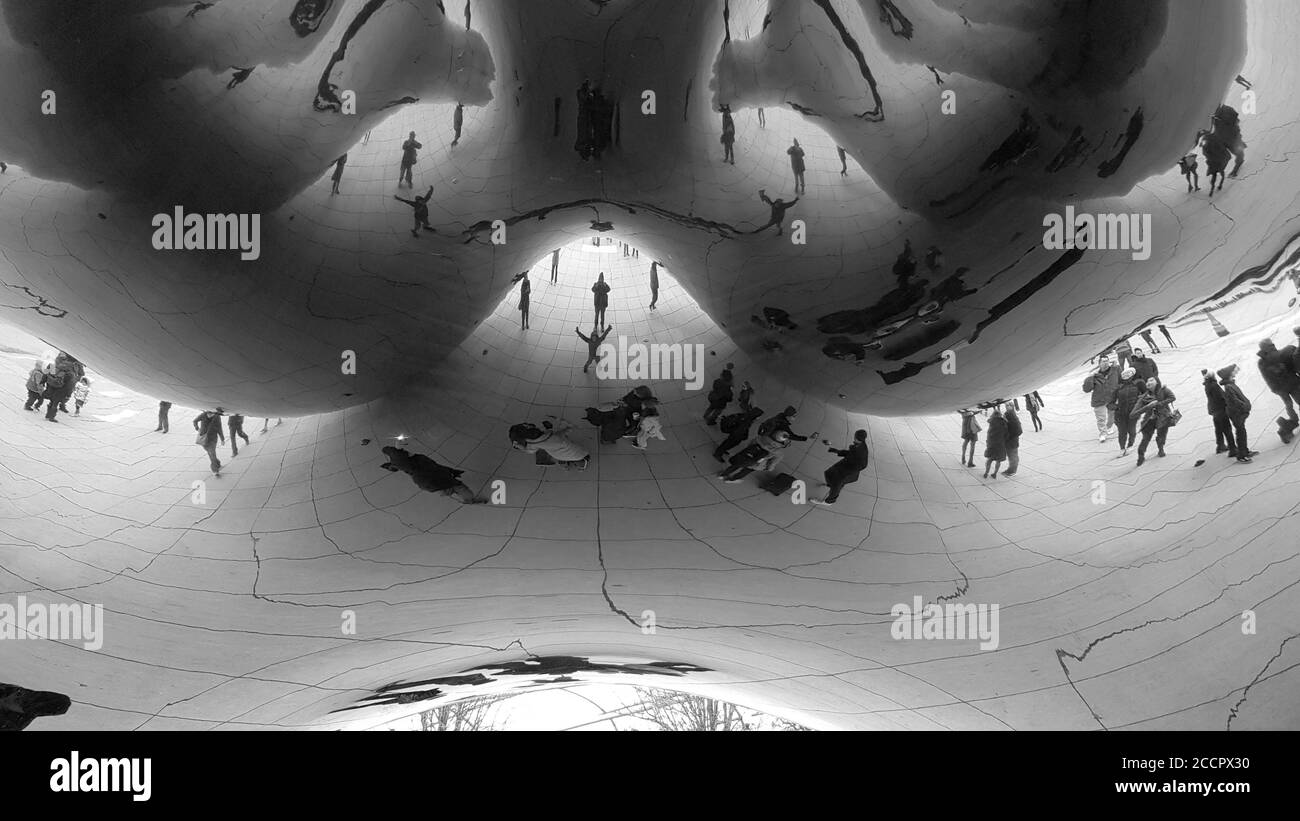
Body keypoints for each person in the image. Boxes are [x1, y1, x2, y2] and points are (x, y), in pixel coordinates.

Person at [381, 446, 485, 502]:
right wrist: (451, 471)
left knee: (443, 488)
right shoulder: (419, 460)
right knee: (459, 486)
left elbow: (395, 465)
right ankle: (470, 499)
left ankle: (446, 491)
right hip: (434, 479)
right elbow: (436, 468)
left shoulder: (401, 463)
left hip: (425, 484)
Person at [1256, 338, 1300, 442]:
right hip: (1291, 384)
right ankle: (1288, 424)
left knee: (1289, 405)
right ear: (1269, 346)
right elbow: (1287, 363)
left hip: (1279, 388)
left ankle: (1288, 424)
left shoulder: (1261, 361)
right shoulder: (1276, 355)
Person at [813, 429, 869, 504]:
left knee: (836, 486)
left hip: (848, 472)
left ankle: (828, 502)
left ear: (856, 437)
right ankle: (830, 485)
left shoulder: (861, 450)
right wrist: (837, 451)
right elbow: (849, 453)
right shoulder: (858, 445)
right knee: (828, 473)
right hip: (843, 466)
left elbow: (863, 465)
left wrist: (850, 469)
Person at [510, 419, 590, 469]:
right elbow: (557, 434)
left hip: (560, 454)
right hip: (578, 452)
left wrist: (519, 446)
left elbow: (529, 451)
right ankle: (578, 462)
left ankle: (567, 463)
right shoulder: (549, 435)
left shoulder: (532, 444)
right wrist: (568, 428)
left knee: (547, 451)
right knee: (570, 450)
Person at [1132, 378, 1176, 467]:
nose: (1149, 382)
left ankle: (1161, 449)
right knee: (1145, 438)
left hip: (1163, 417)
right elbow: (1133, 414)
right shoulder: (1144, 397)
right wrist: (1148, 406)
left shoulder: (1164, 390)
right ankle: (1141, 455)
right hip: (1149, 419)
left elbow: (1172, 397)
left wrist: (1159, 404)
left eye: (1151, 380)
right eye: (1147, 381)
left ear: (1157, 382)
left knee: (1162, 435)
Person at [719, 429, 790, 483]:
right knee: (745, 471)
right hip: (756, 464)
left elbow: (750, 444)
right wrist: (769, 468)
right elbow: (773, 463)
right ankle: (732, 479)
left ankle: (723, 474)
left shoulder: (761, 438)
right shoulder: (778, 453)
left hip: (745, 456)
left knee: (736, 465)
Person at [1219, 365, 1255, 463]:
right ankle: (1241, 456)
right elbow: (1235, 401)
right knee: (1241, 433)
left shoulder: (1230, 384)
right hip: (1236, 414)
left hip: (1238, 413)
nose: (1235, 373)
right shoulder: (1229, 386)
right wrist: (1245, 406)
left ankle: (1245, 451)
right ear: (1229, 374)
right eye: (1233, 372)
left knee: (1242, 432)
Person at [1082, 357, 1119, 442]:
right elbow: (1086, 389)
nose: (1105, 363)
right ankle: (1103, 433)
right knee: (1101, 418)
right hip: (1099, 399)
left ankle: (1109, 427)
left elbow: (1121, 380)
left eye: (1107, 361)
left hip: (1112, 397)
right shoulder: (1094, 375)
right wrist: (1090, 377)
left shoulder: (1115, 369)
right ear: (1099, 363)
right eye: (1103, 361)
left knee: (1112, 415)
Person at [1113, 367, 1143, 457]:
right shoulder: (1119, 387)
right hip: (1120, 413)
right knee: (1122, 431)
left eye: (1128, 375)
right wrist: (1116, 408)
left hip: (1133, 412)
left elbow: (1145, 394)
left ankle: (1130, 445)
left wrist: (1140, 404)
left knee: (1131, 429)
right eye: (1124, 375)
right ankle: (1122, 448)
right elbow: (1110, 402)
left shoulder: (1138, 384)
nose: (1126, 377)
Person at [1202, 369, 1233, 455]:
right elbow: (1219, 397)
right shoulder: (1214, 385)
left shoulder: (1207, 385)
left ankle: (1220, 446)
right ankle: (1232, 448)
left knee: (1219, 428)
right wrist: (1226, 401)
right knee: (1227, 428)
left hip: (1214, 410)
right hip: (1220, 409)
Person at [194, 408, 225, 476]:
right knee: (210, 453)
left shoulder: (217, 417)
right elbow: (195, 421)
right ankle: (218, 463)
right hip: (203, 438)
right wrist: (197, 429)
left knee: (212, 453)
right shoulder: (203, 415)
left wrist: (222, 439)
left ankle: (215, 470)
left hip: (212, 438)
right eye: (209, 414)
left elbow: (219, 428)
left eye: (211, 414)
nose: (210, 415)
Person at [982, 407, 1008, 479]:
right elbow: (1006, 434)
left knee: (989, 459)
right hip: (1000, 444)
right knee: (998, 460)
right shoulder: (1004, 422)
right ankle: (995, 474)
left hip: (992, 444)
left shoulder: (991, 421)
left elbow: (989, 431)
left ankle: (986, 473)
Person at [1002, 407, 1023, 476]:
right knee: (1012, 456)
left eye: (1005, 416)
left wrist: (1008, 437)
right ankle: (1010, 469)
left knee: (1013, 456)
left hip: (1011, 443)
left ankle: (1012, 471)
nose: (1004, 417)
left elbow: (1016, 432)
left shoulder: (1012, 423)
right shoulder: (1013, 421)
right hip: (1012, 442)